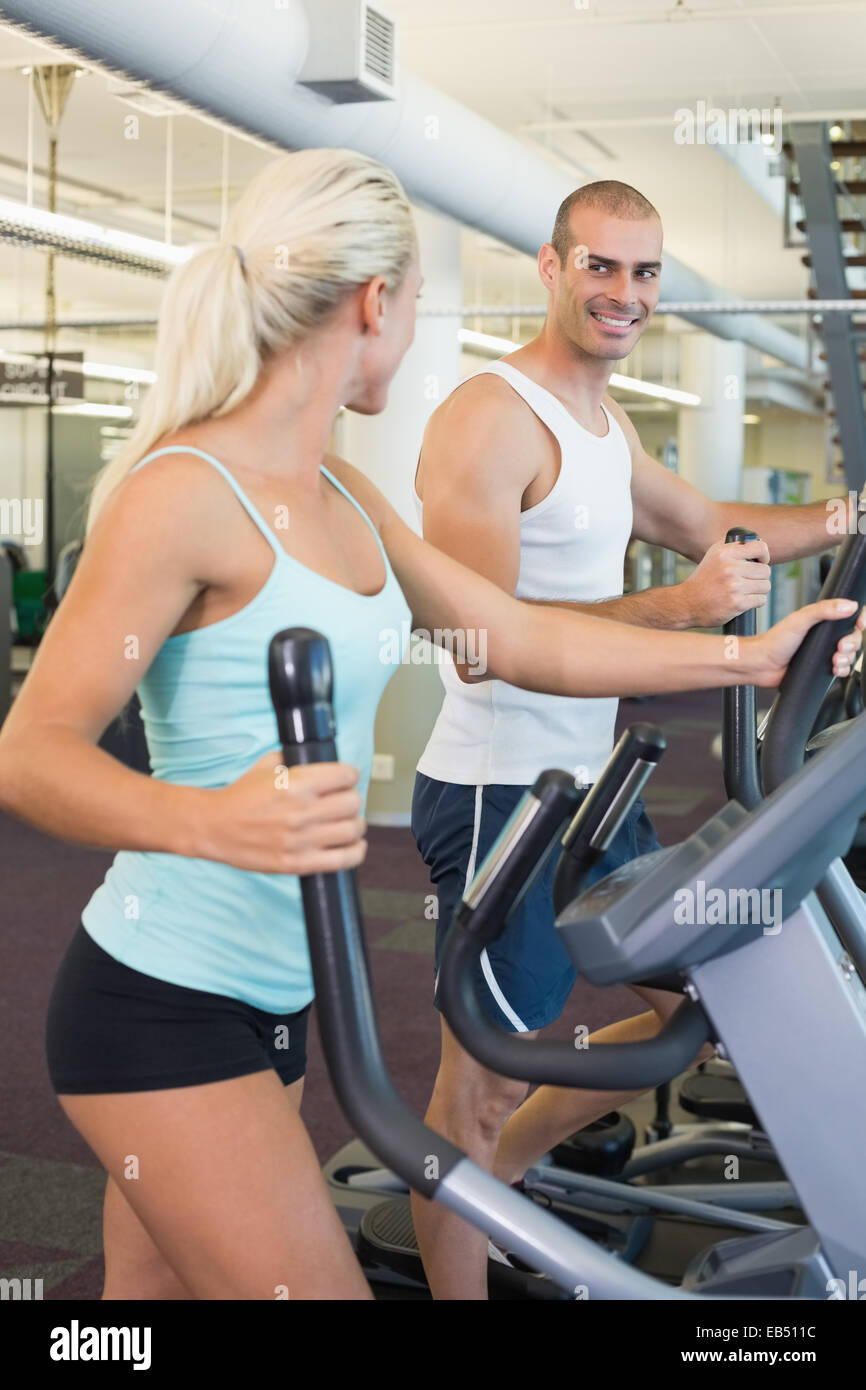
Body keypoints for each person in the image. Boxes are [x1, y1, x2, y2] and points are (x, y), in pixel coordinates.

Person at [0, 152, 858, 1303]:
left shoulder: (344, 494)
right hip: (162, 1001)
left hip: (284, 992)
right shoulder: (183, 492)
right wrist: (205, 817)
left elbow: (514, 636)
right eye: (413, 309)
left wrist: (742, 653)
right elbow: (31, 750)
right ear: (376, 302)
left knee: (136, 1313)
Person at [410, 179, 858, 1300]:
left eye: (643, 271)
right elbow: (473, 641)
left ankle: (494, 1180)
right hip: (498, 792)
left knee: (702, 1014)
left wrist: (853, 518)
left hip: (593, 789)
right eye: (599, 266)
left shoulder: (601, 425)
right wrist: (682, 610)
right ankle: (460, 1222)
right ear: (552, 267)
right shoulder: (488, 414)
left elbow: (712, 526)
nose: (623, 292)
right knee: (472, 1091)